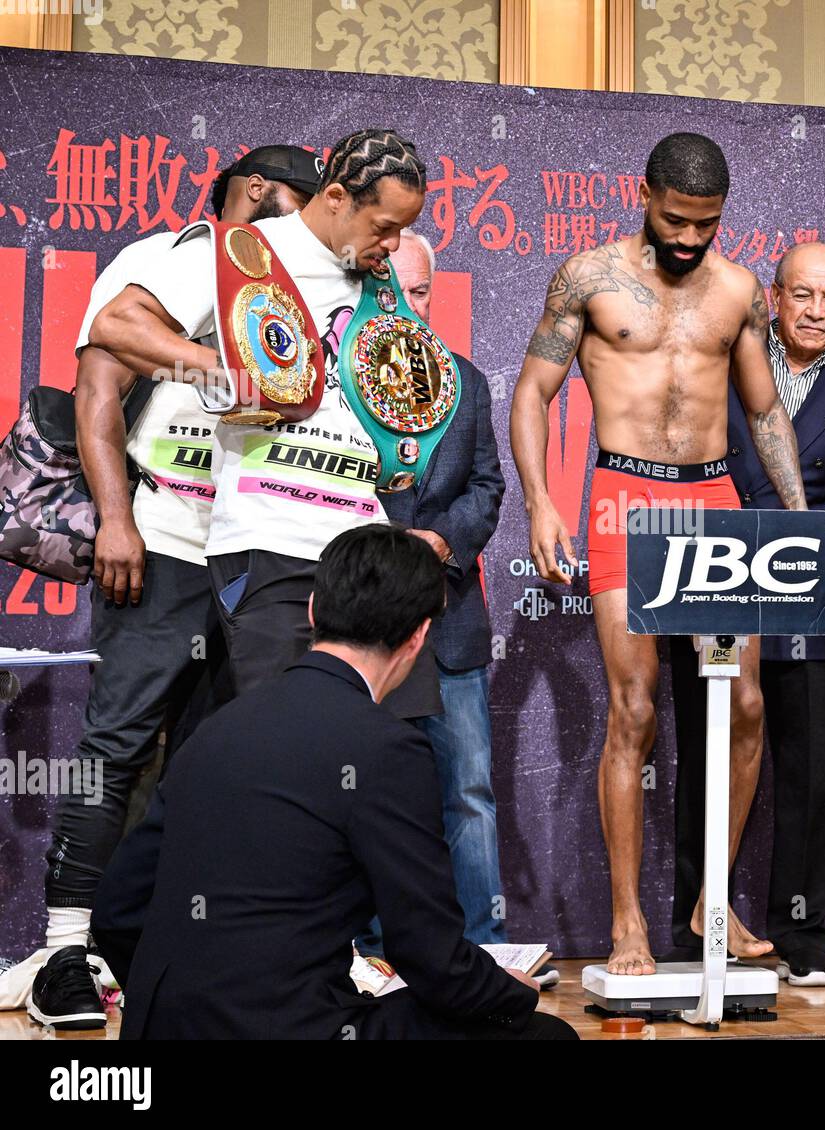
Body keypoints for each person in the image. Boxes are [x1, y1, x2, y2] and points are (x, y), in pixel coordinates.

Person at [8, 147, 322, 1031]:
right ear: (256, 192)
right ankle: (65, 953)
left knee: (221, 762)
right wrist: (116, 518)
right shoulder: (161, 257)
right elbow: (99, 392)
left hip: (261, 549)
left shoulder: (303, 284)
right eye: (297, 210)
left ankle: (191, 946)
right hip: (167, 538)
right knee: (115, 745)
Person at [88, 524, 577, 1040]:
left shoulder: (215, 730)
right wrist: (512, 992)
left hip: (158, 1029)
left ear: (313, 610)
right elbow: (431, 958)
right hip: (293, 1028)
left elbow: (117, 910)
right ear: (418, 637)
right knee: (543, 1036)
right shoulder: (389, 750)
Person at [510, 132, 807, 976]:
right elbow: (533, 393)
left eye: (705, 224)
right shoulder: (588, 278)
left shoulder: (741, 291)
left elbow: (763, 414)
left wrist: (794, 516)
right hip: (625, 498)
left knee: (746, 705)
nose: (687, 238)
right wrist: (541, 501)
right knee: (634, 710)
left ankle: (713, 896)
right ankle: (628, 923)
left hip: (714, 501)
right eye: (676, 220)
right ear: (644, 193)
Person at [88, 128, 428, 696]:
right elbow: (118, 326)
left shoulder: (378, 279)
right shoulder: (245, 252)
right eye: (384, 227)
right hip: (273, 543)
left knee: (365, 739)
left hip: (360, 543)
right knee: (282, 733)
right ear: (338, 198)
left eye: (401, 229)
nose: (393, 244)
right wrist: (240, 379)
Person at [668, 241, 825, 986]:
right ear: (773, 296)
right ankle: (698, 921)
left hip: (815, 600)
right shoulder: (718, 366)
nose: (816, 311)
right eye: (803, 295)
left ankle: (799, 931)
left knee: (806, 772)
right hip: (718, 581)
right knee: (710, 758)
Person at [371, 229, 511, 949]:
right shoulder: (335, 384)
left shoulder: (468, 381)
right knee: (363, 795)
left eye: (419, 288)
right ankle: (365, 951)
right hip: (363, 626)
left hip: (451, 618)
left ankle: (482, 944)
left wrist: (438, 544)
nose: (405, 300)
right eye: (391, 284)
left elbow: (489, 488)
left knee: (468, 794)